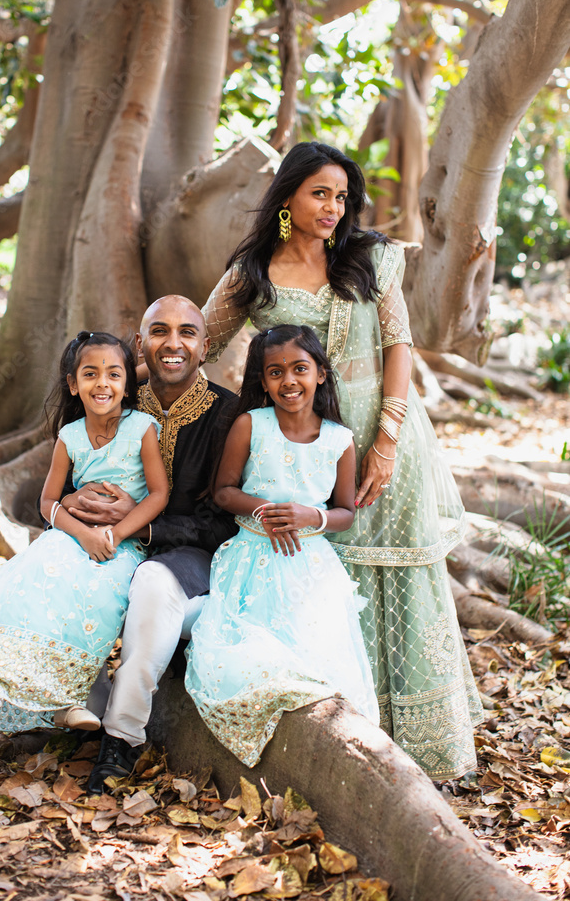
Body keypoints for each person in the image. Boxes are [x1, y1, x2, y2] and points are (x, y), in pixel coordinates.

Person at [200, 141, 483, 781]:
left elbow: (398, 344)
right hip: (299, 452)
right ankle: (345, 737)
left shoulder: (372, 257)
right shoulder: (254, 271)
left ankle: (420, 750)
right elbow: (201, 337)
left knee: (396, 574)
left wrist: (386, 439)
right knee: (326, 579)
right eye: (319, 193)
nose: (333, 207)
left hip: (384, 432)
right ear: (288, 197)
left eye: (342, 196)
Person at [59, 296, 238, 793]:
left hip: (187, 557)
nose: (173, 343)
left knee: (153, 584)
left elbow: (223, 522)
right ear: (141, 344)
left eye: (187, 333)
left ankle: (121, 739)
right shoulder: (118, 393)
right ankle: (82, 707)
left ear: (205, 347)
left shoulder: (229, 415)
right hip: (111, 543)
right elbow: (73, 466)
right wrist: (81, 503)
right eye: (159, 331)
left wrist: (140, 527)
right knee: (64, 567)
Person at [185, 324, 379, 766]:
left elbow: (346, 512)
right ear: (263, 381)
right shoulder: (251, 425)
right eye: (275, 373)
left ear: (321, 374)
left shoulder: (338, 440)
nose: (288, 381)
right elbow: (224, 491)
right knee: (246, 652)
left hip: (312, 566)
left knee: (317, 658)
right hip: (252, 557)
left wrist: (316, 516)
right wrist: (263, 512)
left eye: (299, 369)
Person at [0, 331, 169, 733]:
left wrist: (117, 534)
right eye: (90, 374)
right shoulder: (69, 437)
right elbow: (48, 503)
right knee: (23, 578)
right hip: (73, 537)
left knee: (94, 594)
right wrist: (83, 534)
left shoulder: (142, 427)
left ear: (127, 383)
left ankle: (66, 700)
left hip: (121, 544)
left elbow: (158, 495)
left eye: (113, 374)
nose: (102, 384)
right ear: (74, 385)